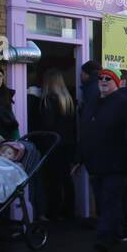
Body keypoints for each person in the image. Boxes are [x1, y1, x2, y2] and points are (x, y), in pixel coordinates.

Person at [78, 69, 127, 252]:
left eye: (108, 78)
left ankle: (105, 238)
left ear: (116, 83)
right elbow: (84, 132)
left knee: (111, 199)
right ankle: (116, 232)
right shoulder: (92, 103)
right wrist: (78, 157)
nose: (103, 81)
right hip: (95, 162)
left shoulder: (124, 104)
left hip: (117, 162)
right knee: (104, 201)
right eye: (100, 78)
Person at [37, 69, 77, 222]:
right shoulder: (68, 101)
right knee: (66, 178)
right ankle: (69, 211)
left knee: (52, 180)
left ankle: (53, 212)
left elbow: (48, 125)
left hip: (52, 145)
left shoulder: (47, 100)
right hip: (67, 144)